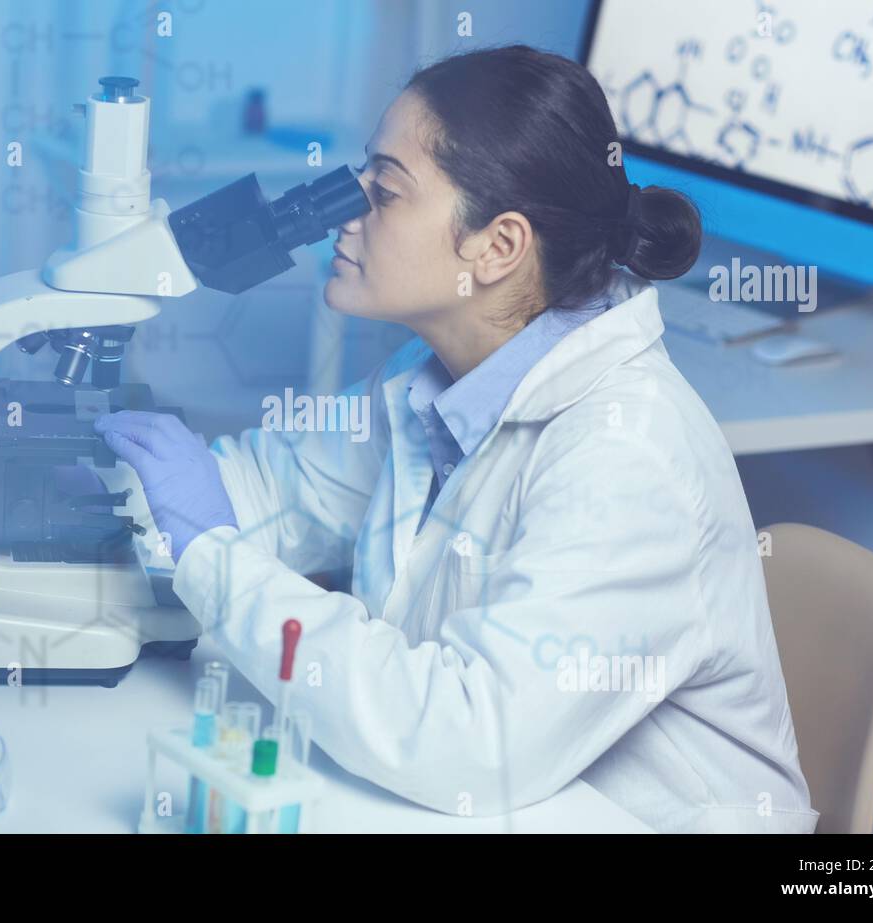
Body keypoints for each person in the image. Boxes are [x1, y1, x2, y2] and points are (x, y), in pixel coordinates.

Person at [95, 44, 818, 833]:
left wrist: (212, 555)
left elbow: (473, 738)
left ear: (498, 246)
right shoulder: (434, 380)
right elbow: (270, 496)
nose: (347, 209)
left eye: (385, 190)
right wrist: (118, 493)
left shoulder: (627, 455)